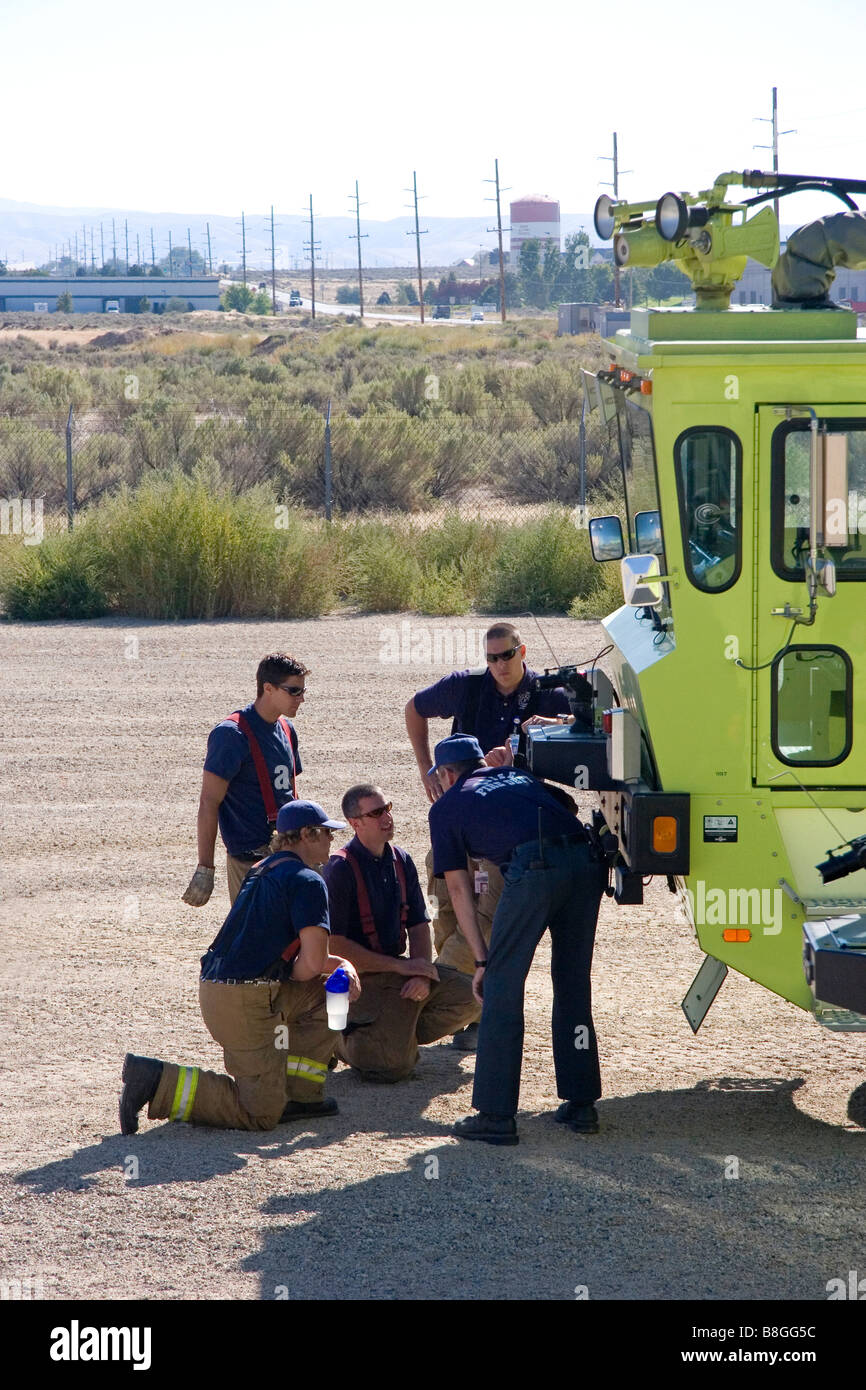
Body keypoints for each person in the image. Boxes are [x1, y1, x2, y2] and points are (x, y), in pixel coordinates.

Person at [120, 801, 361, 1135]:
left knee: (328, 992)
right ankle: (157, 1081)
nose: (331, 842)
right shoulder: (309, 880)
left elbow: (306, 962)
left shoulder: (263, 868)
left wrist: (335, 967)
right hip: (245, 999)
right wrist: (342, 967)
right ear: (307, 835)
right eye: (326, 834)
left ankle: (301, 1095)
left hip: (223, 989)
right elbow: (314, 963)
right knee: (260, 1113)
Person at [427, 735, 607, 1147]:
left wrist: (482, 961)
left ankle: (495, 1114)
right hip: (585, 861)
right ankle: (582, 1106)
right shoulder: (513, 775)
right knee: (573, 983)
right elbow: (567, 807)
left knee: (502, 989)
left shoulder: (448, 806)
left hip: (536, 867)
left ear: (448, 774)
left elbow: (456, 890)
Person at [404, 622, 571, 1047]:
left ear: (523, 651)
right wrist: (428, 770)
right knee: (445, 904)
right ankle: (464, 1007)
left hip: (509, 832)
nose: (499, 665)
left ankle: (469, 1006)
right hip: (461, 818)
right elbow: (414, 709)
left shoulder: (546, 693)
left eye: (506, 656)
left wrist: (547, 726)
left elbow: (586, 724)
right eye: (491, 657)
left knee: (488, 919)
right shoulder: (467, 687)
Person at [321, 785, 480, 1083]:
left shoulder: (401, 859)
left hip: (397, 974)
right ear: (356, 823)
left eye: (388, 808)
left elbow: (419, 924)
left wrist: (419, 972)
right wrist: (402, 967)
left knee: (472, 996)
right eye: (377, 813)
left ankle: (393, 1037)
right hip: (359, 979)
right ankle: (333, 1041)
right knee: (393, 1069)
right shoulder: (340, 868)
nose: (387, 818)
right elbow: (335, 945)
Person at [182, 652, 308, 908]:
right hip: (250, 861)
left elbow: (290, 793)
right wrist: (205, 867)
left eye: (303, 691)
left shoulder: (286, 729)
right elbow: (209, 802)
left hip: (291, 851)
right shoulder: (231, 734)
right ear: (268, 688)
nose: (301, 699)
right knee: (256, 941)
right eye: (294, 691)